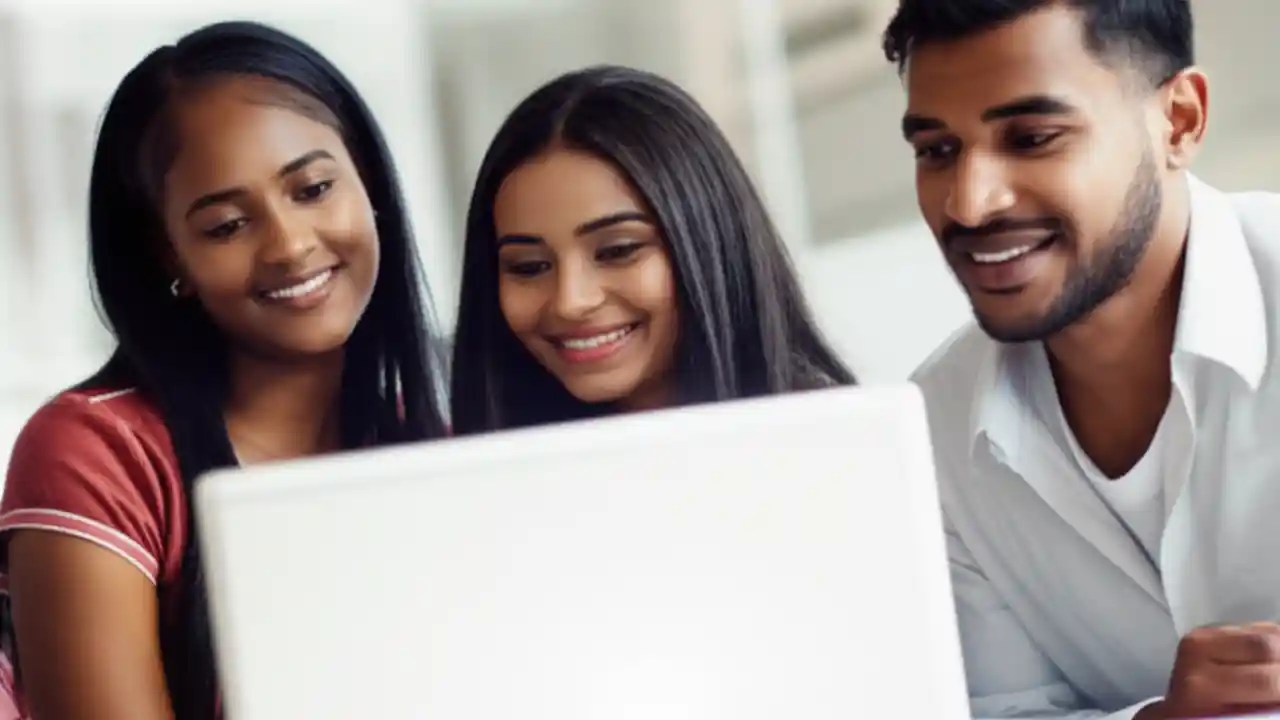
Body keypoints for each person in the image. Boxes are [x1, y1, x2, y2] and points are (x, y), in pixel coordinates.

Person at [0, 21, 449, 719]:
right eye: (227, 226)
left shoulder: (436, 442)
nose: (290, 245)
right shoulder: (98, 453)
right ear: (169, 254)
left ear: (368, 182)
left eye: (313, 189)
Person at [884, 1, 1280, 718]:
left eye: (1033, 138)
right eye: (937, 151)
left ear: (1179, 121)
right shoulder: (932, 433)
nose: (970, 204)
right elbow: (1002, 711)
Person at [449, 65, 853, 432]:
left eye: (618, 250)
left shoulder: (837, 441)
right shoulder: (479, 471)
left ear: (709, 242)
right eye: (529, 266)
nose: (570, 302)